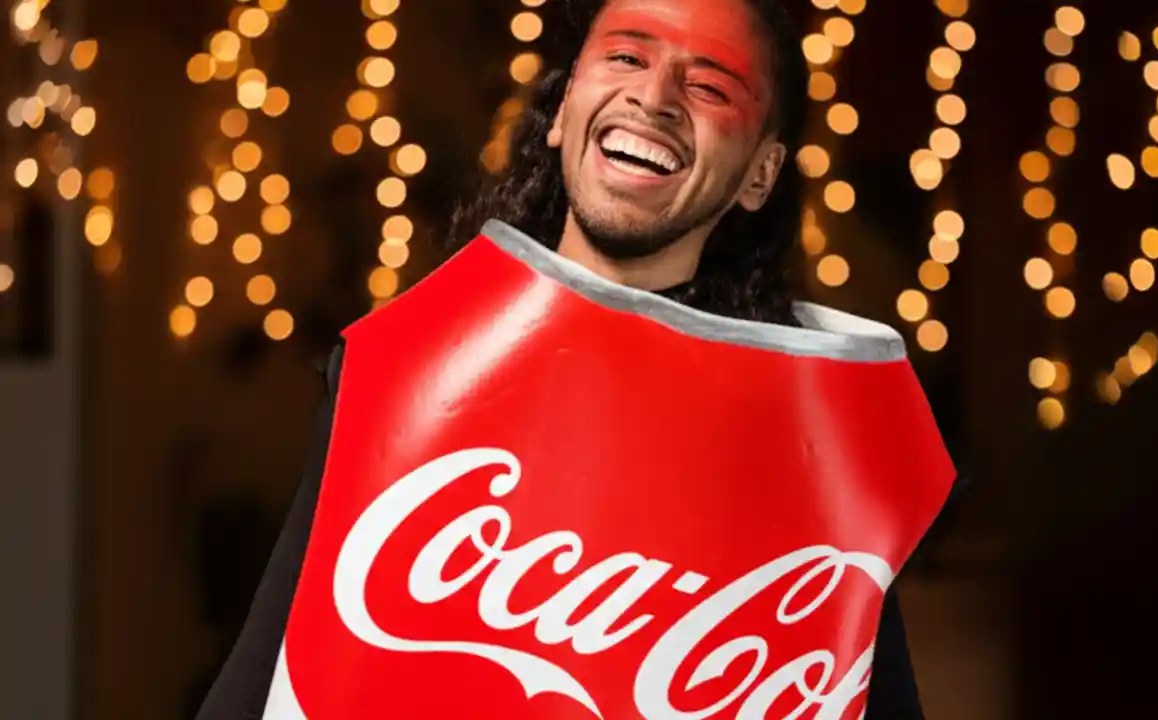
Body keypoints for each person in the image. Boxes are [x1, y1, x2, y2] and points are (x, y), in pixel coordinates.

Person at [198, 0, 938, 716]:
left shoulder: (817, 436)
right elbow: (269, 673)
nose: (652, 97)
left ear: (760, 175)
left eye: (709, 85)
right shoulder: (402, 369)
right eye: (625, 56)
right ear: (561, 111)